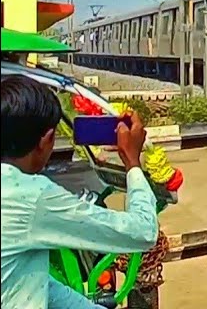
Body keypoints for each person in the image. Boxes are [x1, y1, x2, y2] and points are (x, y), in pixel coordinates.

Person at [1, 74, 159, 309]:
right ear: (46, 140)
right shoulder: (33, 197)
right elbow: (143, 231)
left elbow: (34, 282)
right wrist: (132, 162)